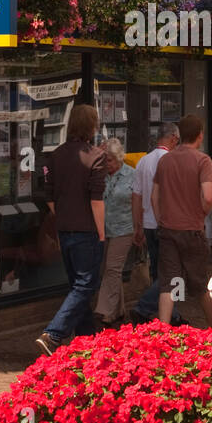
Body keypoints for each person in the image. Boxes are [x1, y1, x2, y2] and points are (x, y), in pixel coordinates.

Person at [36, 104, 106, 355]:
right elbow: (96, 200)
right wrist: (101, 232)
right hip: (87, 230)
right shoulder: (96, 156)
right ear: (92, 125)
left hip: (65, 230)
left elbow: (50, 197)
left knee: (78, 284)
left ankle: (87, 341)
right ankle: (54, 334)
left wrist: (63, 217)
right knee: (86, 284)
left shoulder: (56, 155)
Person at [151, 114, 212, 325]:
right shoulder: (202, 160)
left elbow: (154, 196)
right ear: (200, 135)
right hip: (192, 229)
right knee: (199, 283)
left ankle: (164, 329)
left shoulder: (166, 159)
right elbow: (208, 196)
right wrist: (201, 214)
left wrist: (161, 218)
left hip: (168, 229)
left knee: (170, 282)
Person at [131, 123, 179, 298]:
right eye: (177, 140)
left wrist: (137, 226)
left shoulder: (143, 160)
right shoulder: (171, 159)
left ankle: (163, 308)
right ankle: (169, 308)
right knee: (174, 271)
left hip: (149, 224)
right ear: (173, 138)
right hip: (168, 223)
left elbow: (136, 196)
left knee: (157, 268)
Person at [94, 139, 136, 327]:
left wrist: (139, 228)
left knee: (112, 267)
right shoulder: (101, 175)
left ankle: (105, 311)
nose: (106, 164)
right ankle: (119, 310)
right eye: (104, 160)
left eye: (109, 160)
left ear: (119, 158)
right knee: (109, 270)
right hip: (104, 228)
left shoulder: (132, 175)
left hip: (124, 228)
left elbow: (138, 203)